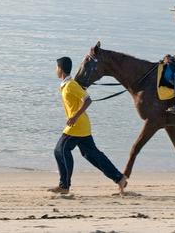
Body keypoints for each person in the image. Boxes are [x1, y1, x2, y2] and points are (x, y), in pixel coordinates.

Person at [49, 56, 127, 195]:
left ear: (60, 69)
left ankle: (64, 186)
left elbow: (88, 100)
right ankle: (119, 178)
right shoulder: (66, 84)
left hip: (77, 125)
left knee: (61, 150)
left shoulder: (71, 85)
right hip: (81, 126)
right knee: (93, 156)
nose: (55, 70)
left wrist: (74, 116)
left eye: (56, 67)